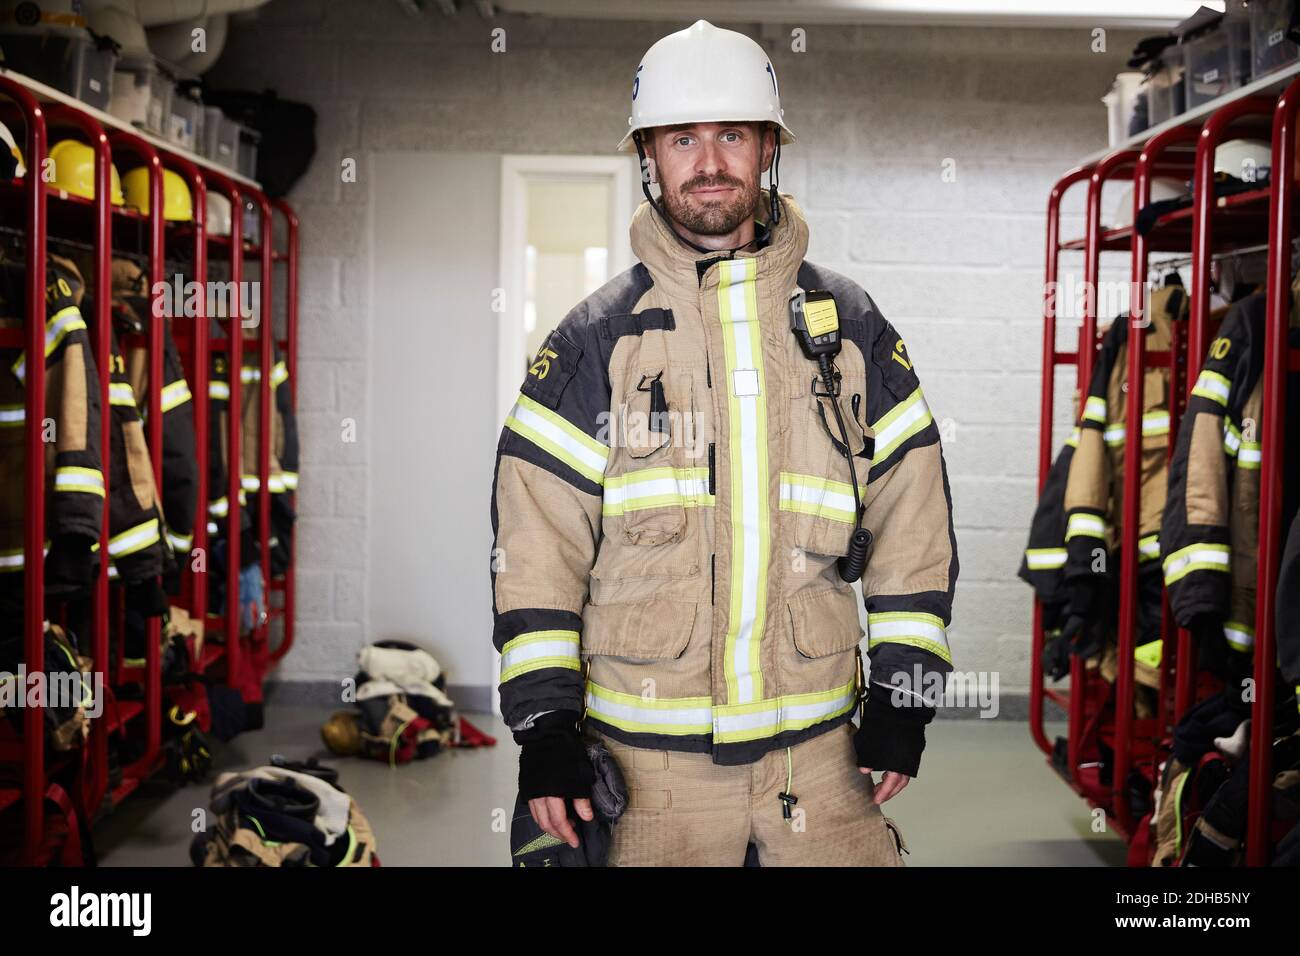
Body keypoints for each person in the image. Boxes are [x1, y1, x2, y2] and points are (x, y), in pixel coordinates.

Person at [490, 19, 958, 866]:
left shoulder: (848, 328)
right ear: (650, 156)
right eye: (683, 138)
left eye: (732, 135)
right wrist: (545, 727)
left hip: (821, 764)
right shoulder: (595, 341)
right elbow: (535, 550)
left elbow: (914, 524)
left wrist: (904, 698)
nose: (709, 161)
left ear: (769, 148)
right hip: (646, 776)